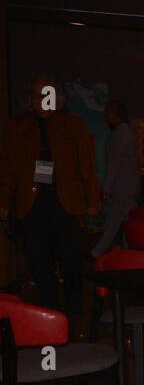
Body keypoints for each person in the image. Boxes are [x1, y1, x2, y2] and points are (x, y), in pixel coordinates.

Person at [0, 77, 100, 322]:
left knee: (71, 258)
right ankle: (50, 312)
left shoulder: (73, 125)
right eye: (36, 95)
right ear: (31, 100)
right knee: (38, 260)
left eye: (46, 94)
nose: (41, 99)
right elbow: (9, 168)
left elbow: (86, 165)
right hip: (32, 204)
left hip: (64, 203)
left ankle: (75, 308)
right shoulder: (17, 128)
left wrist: (92, 199)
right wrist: (4, 202)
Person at [92, 100, 140, 258]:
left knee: (130, 223)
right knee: (115, 223)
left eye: (108, 113)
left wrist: (106, 188)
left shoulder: (120, 133)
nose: (106, 116)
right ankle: (98, 253)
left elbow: (114, 163)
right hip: (126, 186)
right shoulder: (125, 132)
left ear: (115, 114)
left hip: (122, 188)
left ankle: (136, 253)